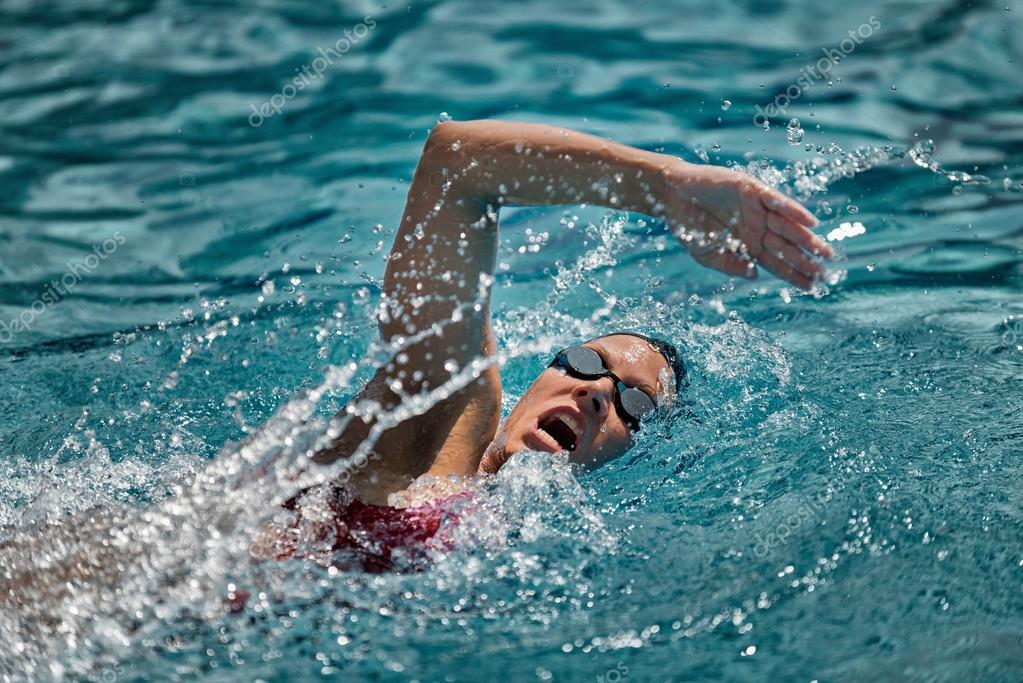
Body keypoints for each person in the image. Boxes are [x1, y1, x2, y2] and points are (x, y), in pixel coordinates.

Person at [266, 119, 833, 567]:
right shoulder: (445, 416)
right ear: (542, 373)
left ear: (626, 453)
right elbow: (456, 163)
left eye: (633, 405)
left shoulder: (520, 542)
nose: (596, 395)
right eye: (588, 364)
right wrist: (666, 186)